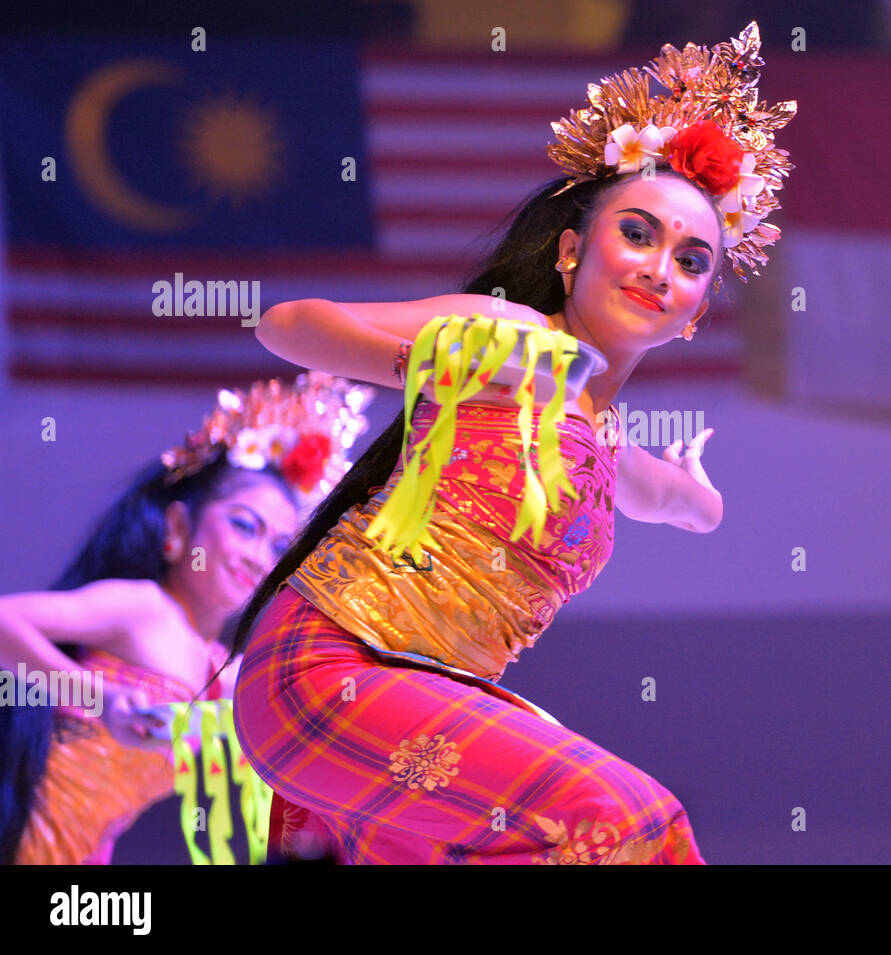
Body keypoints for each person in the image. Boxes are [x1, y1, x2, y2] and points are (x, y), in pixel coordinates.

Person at [229, 20, 796, 864]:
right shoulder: (502, 333)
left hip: (426, 703)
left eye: (691, 260)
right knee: (632, 825)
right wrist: (440, 362)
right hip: (334, 666)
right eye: (637, 234)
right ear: (572, 251)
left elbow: (668, 499)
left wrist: (697, 495)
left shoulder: (604, 440)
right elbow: (285, 327)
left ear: (696, 315)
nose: (657, 268)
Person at [0, 373, 373, 864]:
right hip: (31, 835)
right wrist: (101, 699)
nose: (259, 557)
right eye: (244, 526)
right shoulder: (144, 609)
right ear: (178, 527)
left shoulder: (223, 670)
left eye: (280, 547)